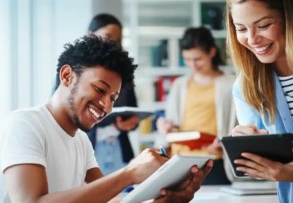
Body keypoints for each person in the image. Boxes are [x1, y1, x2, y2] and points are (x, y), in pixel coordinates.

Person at [0, 35, 213, 203]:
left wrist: (167, 197)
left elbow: (107, 199)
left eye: (113, 97)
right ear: (66, 76)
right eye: (99, 90)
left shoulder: (81, 142)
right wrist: (130, 173)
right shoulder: (24, 125)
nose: (107, 106)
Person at [226, 0, 293, 202]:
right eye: (241, 29)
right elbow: (264, 166)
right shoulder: (246, 87)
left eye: (263, 26)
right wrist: (244, 144)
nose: (252, 39)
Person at [156, 26, 236, 185]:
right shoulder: (180, 85)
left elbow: (237, 124)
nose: (193, 65)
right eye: (187, 59)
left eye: (198, 59)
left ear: (212, 52)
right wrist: (164, 127)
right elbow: (170, 122)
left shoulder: (230, 84)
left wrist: (225, 143)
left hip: (213, 161)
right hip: (180, 161)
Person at [86, 13, 140, 175]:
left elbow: (133, 112)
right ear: (90, 34)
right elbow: (68, 113)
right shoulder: (77, 69)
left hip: (119, 150)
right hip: (91, 149)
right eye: (107, 37)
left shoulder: (122, 72)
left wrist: (130, 123)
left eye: (116, 40)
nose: (112, 44)